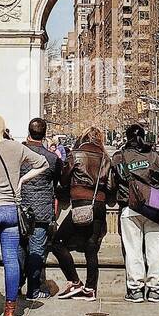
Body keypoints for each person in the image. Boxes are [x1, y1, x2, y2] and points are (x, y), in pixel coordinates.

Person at [0, 114, 49, 316]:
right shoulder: (17, 148)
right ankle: (10, 309)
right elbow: (43, 163)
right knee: (11, 260)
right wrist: (22, 179)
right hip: (10, 210)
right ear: (4, 128)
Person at [110, 123, 159, 303]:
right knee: (157, 249)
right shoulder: (156, 156)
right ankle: (156, 288)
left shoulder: (119, 157)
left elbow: (116, 180)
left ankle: (135, 289)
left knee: (133, 249)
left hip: (130, 206)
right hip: (155, 205)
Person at [50, 126, 111, 301]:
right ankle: (90, 289)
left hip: (81, 203)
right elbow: (111, 185)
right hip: (99, 204)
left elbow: (64, 179)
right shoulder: (105, 156)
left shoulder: (76, 154)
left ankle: (74, 281)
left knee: (57, 242)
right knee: (91, 247)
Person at [19, 117, 60, 302]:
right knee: (37, 249)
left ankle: (16, 284)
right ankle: (33, 289)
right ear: (44, 135)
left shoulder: (18, 154)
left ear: (29, 132)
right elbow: (59, 182)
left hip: (20, 207)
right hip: (42, 208)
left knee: (19, 248)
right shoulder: (52, 158)